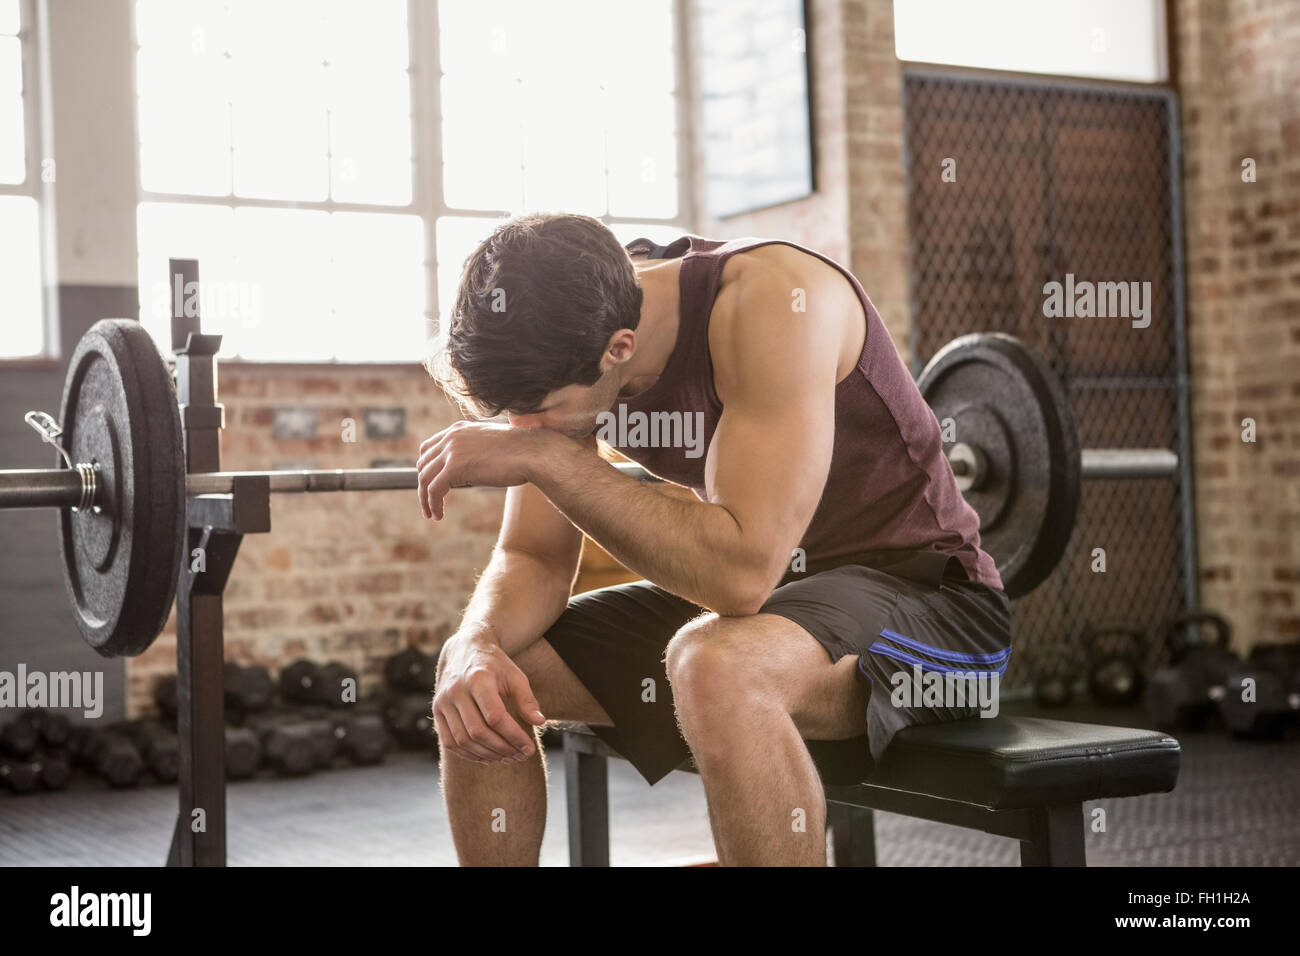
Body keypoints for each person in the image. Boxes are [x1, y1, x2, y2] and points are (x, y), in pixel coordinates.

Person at [418, 212, 1011, 866]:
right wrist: (478, 641)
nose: (525, 429)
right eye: (512, 417)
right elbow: (531, 554)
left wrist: (552, 462)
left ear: (620, 347)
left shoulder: (776, 301)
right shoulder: (572, 316)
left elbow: (739, 576)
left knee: (716, 665)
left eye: (543, 411)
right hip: (779, 614)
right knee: (478, 680)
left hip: (935, 610)